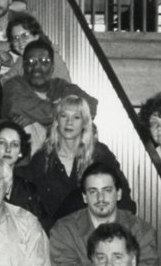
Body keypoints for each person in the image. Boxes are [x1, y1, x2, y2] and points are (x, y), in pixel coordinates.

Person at [48, 163, 160, 266]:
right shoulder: (64, 231)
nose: (100, 198)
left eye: (107, 190)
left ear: (118, 194)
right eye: (93, 191)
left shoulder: (141, 230)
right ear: (84, 197)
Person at [25, 93, 129, 228]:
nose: (69, 122)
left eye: (76, 117)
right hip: (56, 232)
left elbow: (123, 196)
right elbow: (33, 207)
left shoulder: (100, 154)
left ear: (84, 123)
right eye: (64, 116)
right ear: (56, 121)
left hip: (98, 230)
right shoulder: (42, 159)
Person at [1, 39, 96, 157]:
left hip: (64, 148)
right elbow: (16, 106)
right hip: (26, 156)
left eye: (44, 61)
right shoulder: (13, 85)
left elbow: (91, 106)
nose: (37, 66)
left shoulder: (61, 86)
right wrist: (66, 113)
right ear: (24, 67)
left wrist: (36, 117)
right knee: (28, 127)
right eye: (31, 61)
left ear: (52, 68)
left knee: (89, 128)